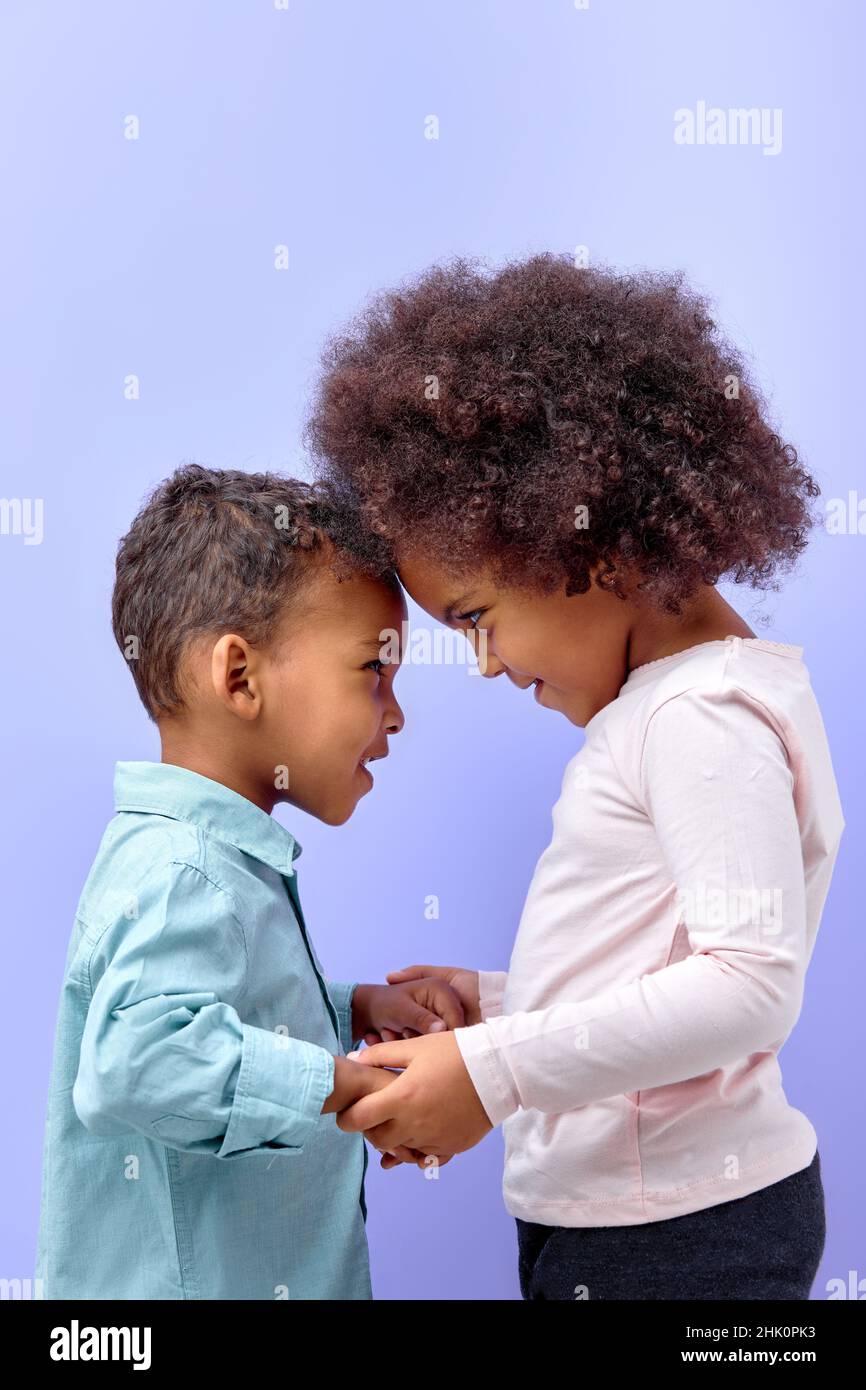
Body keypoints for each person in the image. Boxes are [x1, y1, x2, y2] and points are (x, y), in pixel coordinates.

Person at [306, 253, 844, 1299]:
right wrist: (503, 1007)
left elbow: (746, 984)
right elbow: (668, 969)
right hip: (627, 1223)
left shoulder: (700, 718)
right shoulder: (681, 707)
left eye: (474, 618)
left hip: (681, 1238)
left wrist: (491, 1071)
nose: (489, 663)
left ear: (577, 539)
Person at [35, 463, 463, 1300]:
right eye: (373, 670)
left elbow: (209, 1011)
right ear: (238, 677)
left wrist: (353, 1011)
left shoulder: (207, 859)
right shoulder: (183, 870)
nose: (397, 711)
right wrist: (334, 1083)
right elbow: (137, 1058)